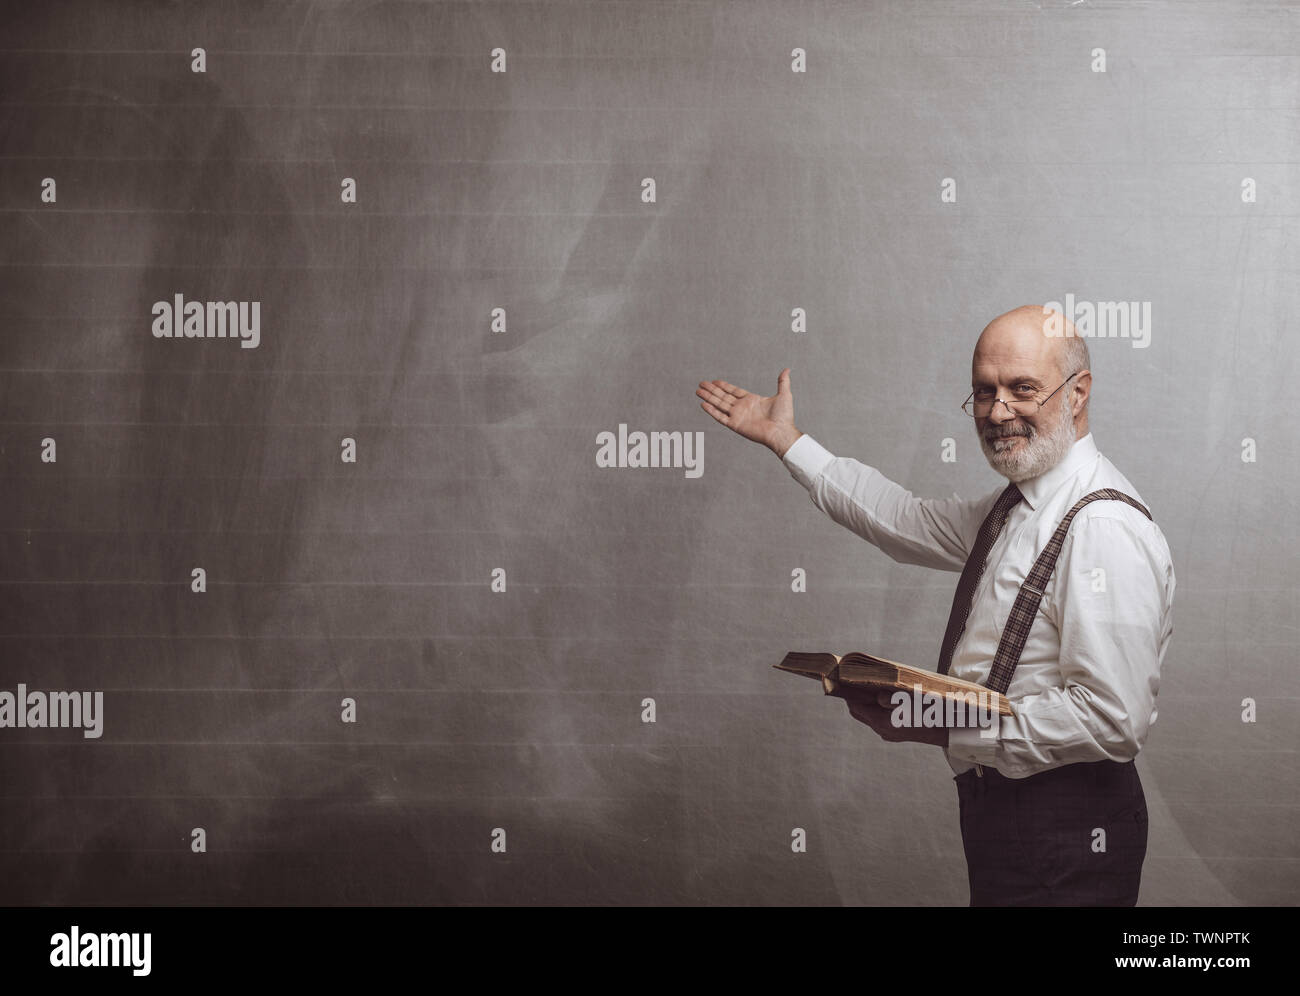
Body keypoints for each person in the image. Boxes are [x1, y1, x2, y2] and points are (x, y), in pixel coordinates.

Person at [695, 304, 1175, 906]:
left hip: (1070, 830)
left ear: (1077, 393)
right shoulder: (1016, 504)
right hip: (1005, 817)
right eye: (983, 391)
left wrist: (945, 723)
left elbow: (1112, 719)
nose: (999, 412)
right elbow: (904, 520)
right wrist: (787, 441)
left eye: (1022, 388)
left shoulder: (1102, 526)